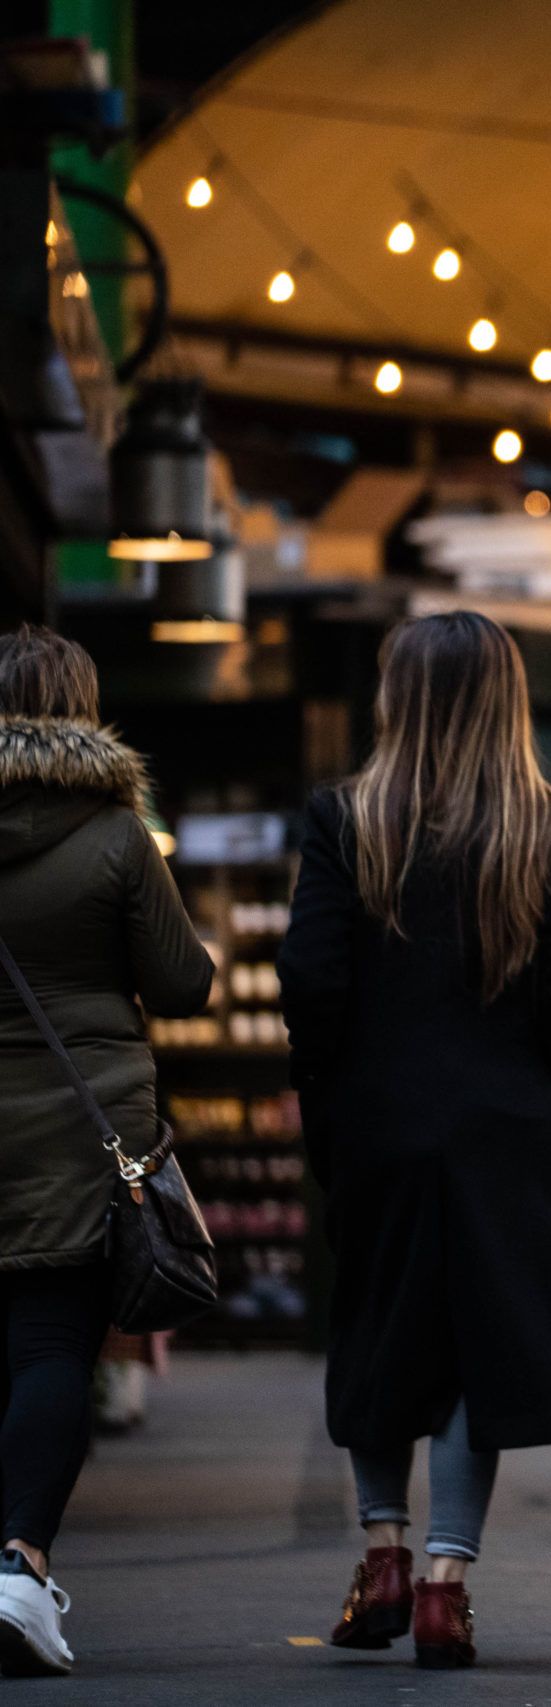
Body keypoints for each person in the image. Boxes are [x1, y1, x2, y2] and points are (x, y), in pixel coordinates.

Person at [278, 611, 551, 1671]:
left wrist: (335, 1091)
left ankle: (379, 1552)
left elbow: (310, 979)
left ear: (399, 699)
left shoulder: (344, 818)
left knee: (379, 1325)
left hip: (376, 1116)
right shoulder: (548, 821)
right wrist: (545, 1086)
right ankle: (444, 1584)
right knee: (481, 1341)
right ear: (508, 700)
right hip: (507, 1127)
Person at [0, 627, 214, 1677]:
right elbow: (182, 985)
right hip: (83, 1129)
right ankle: (17, 1568)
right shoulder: (120, 835)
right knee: (50, 1351)